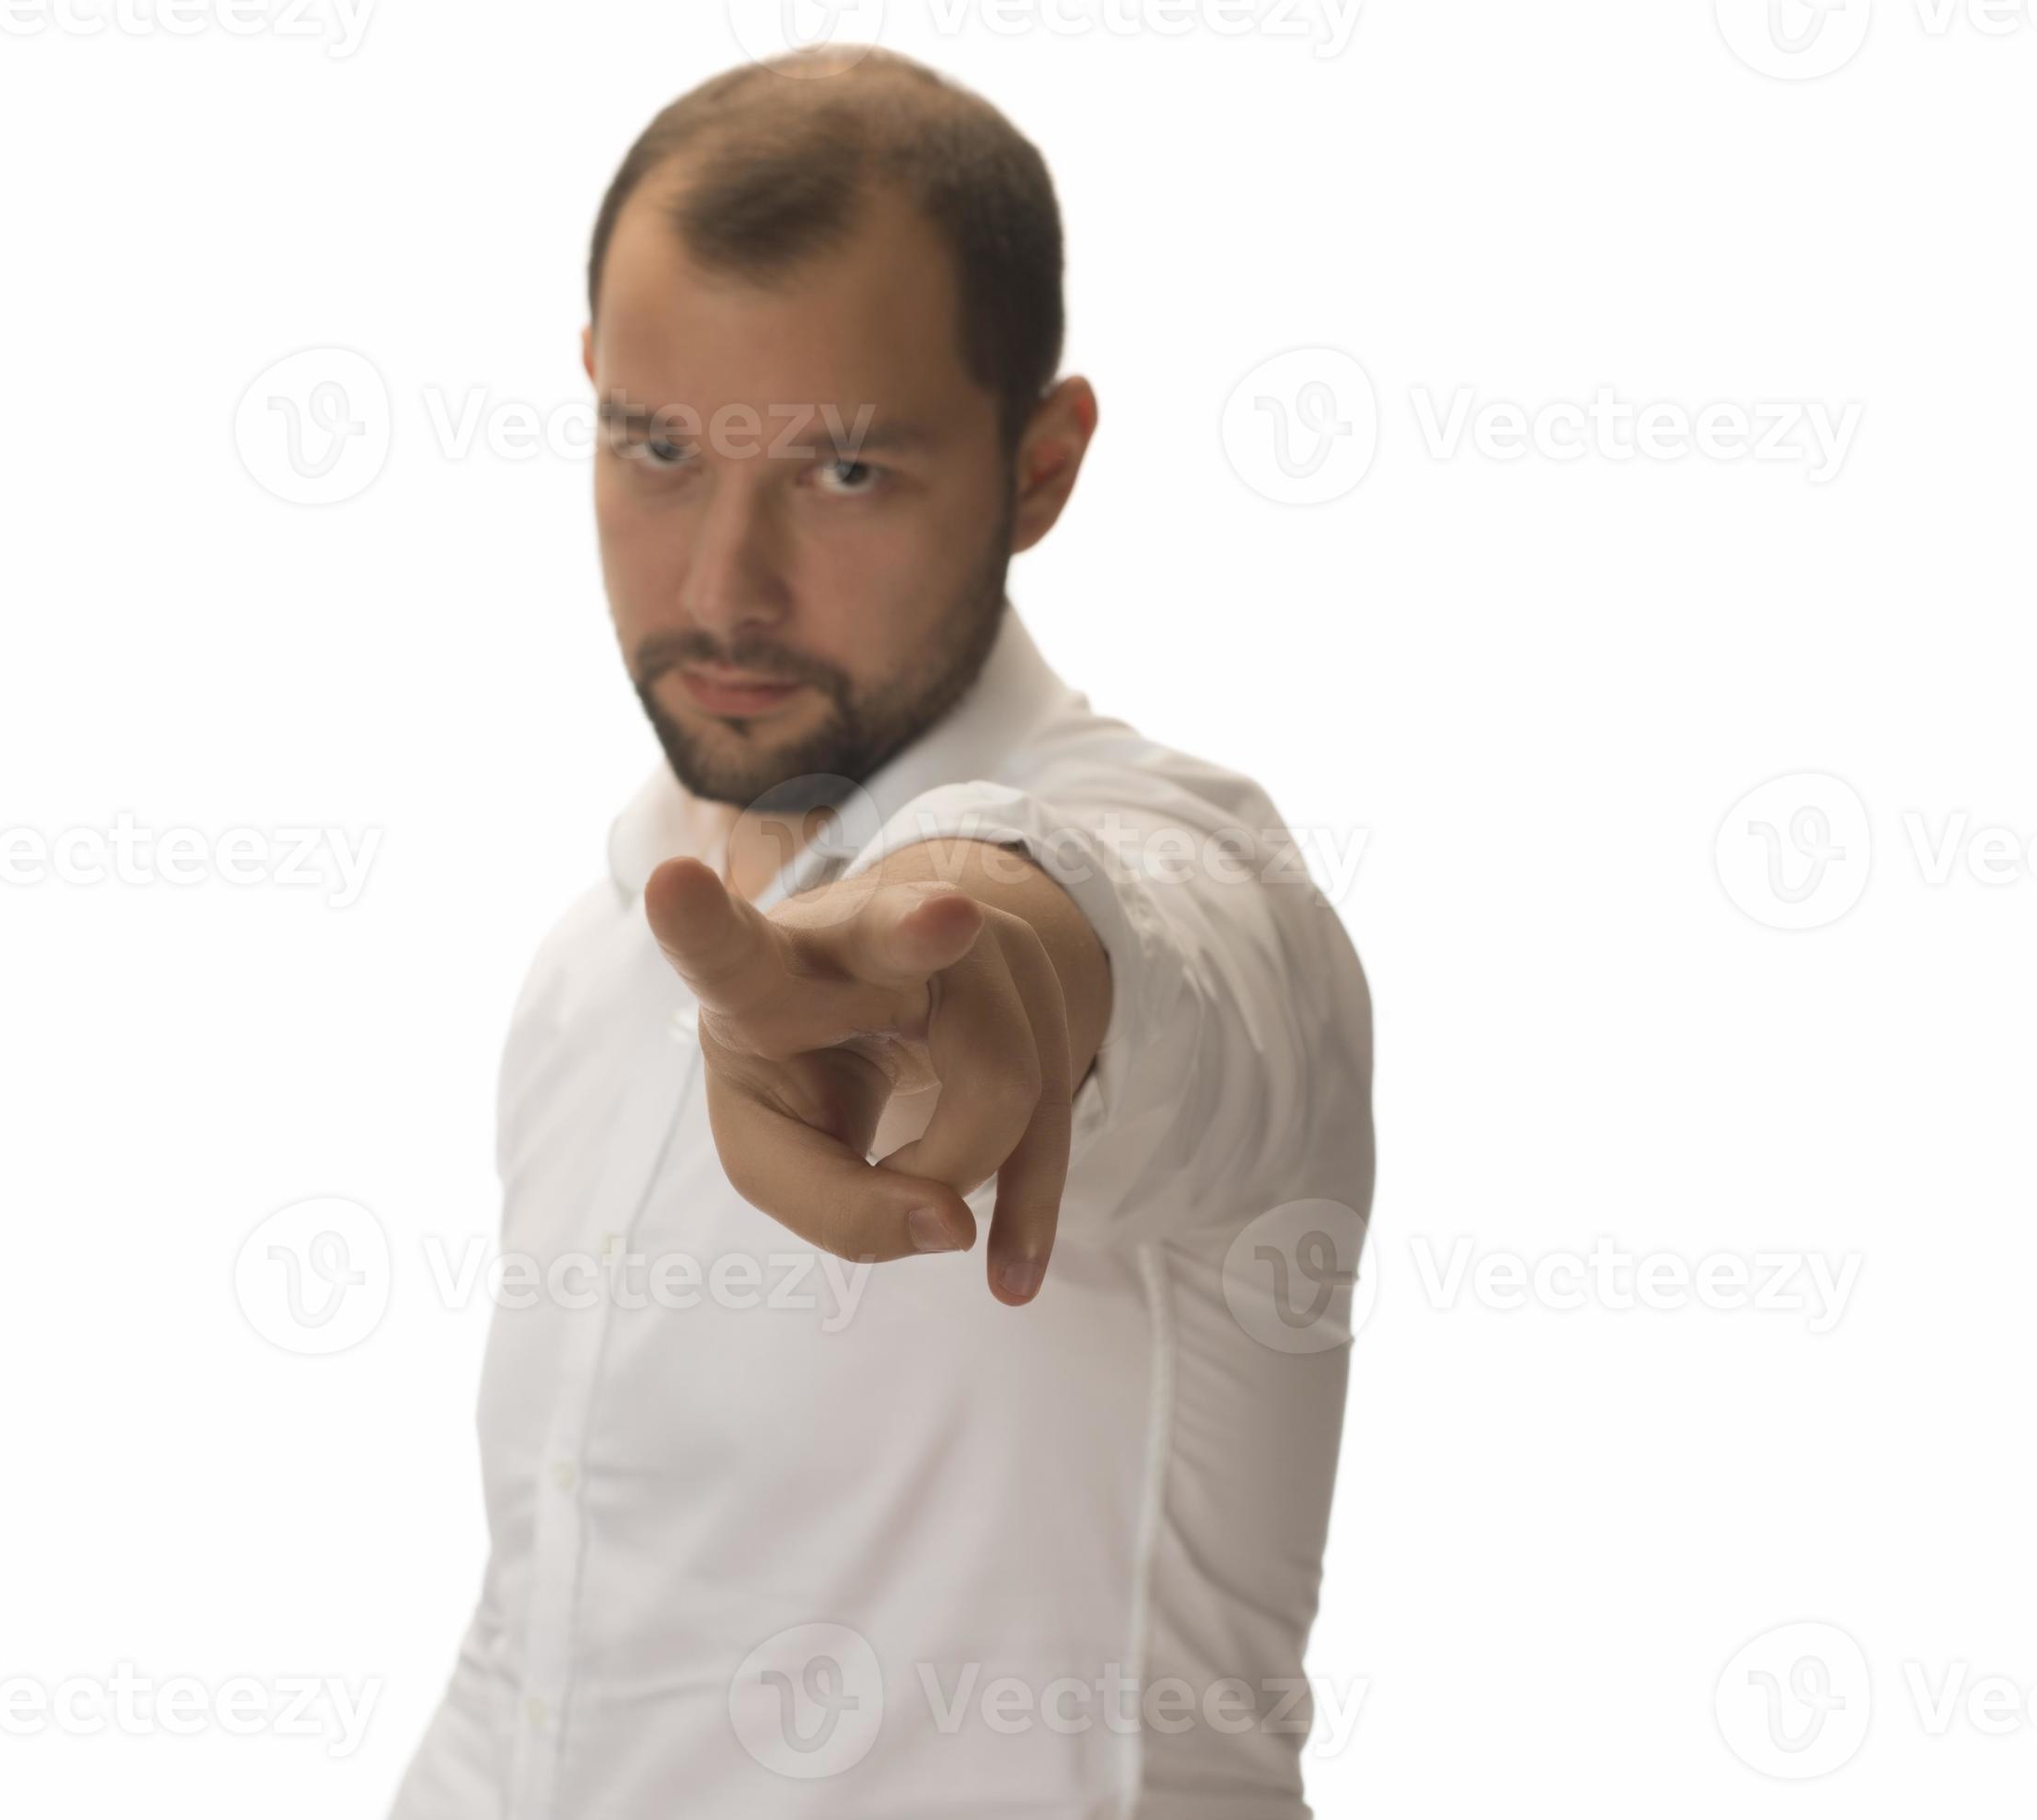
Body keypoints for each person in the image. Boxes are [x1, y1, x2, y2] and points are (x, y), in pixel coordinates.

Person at [392, 46, 1375, 1818]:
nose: (718, 587)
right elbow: (545, 1656)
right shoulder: (600, 957)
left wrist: (982, 951)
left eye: (844, 471)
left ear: (1040, 467)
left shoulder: (1203, 872)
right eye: (657, 449)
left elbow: (1107, 945)